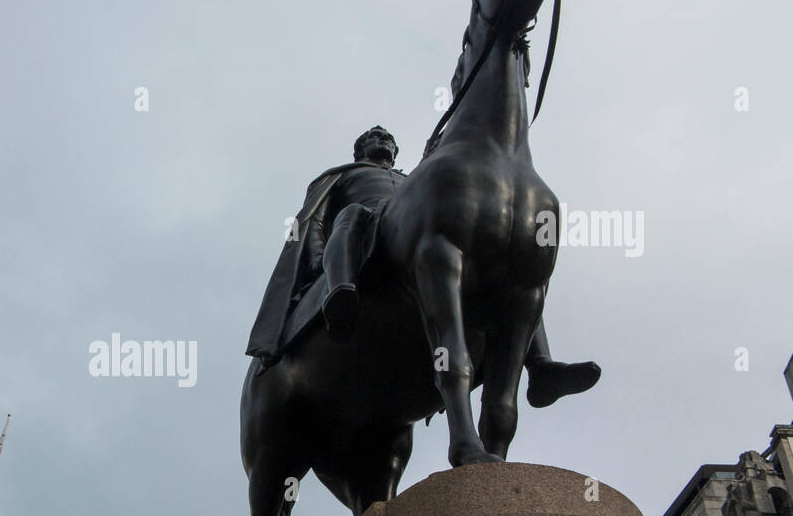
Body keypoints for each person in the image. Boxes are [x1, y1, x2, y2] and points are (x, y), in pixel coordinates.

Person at [247, 126, 599, 407]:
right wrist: (317, 259)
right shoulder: (342, 176)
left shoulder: (410, 178)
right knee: (351, 214)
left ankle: (540, 366)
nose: (383, 141)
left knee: (513, 277)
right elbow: (314, 222)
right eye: (375, 137)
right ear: (360, 149)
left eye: (388, 138)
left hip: (407, 229)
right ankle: (341, 290)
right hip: (365, 231)